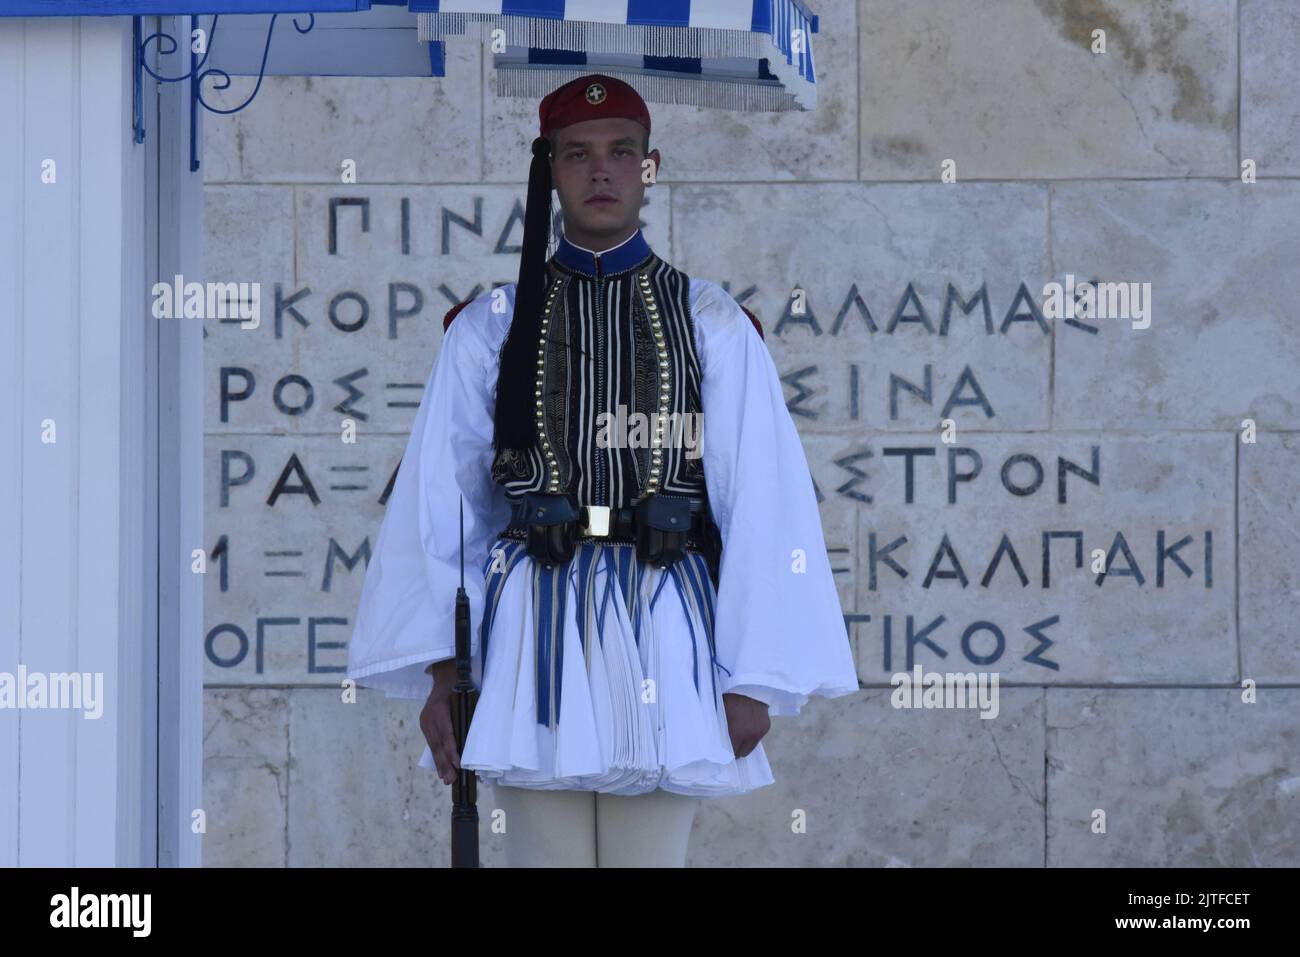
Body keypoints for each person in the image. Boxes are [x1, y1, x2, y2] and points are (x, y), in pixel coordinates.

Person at [347, 73, 857, 867]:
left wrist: (752, 674)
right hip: (530, 634)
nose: (601, 170)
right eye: (576, 153)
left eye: (622, 152)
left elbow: (764, 500)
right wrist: (447, 669)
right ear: (550, 168)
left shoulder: (712, 323)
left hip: (664, 622)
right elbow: (444, 502)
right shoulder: (490, 326)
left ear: (650, 168)